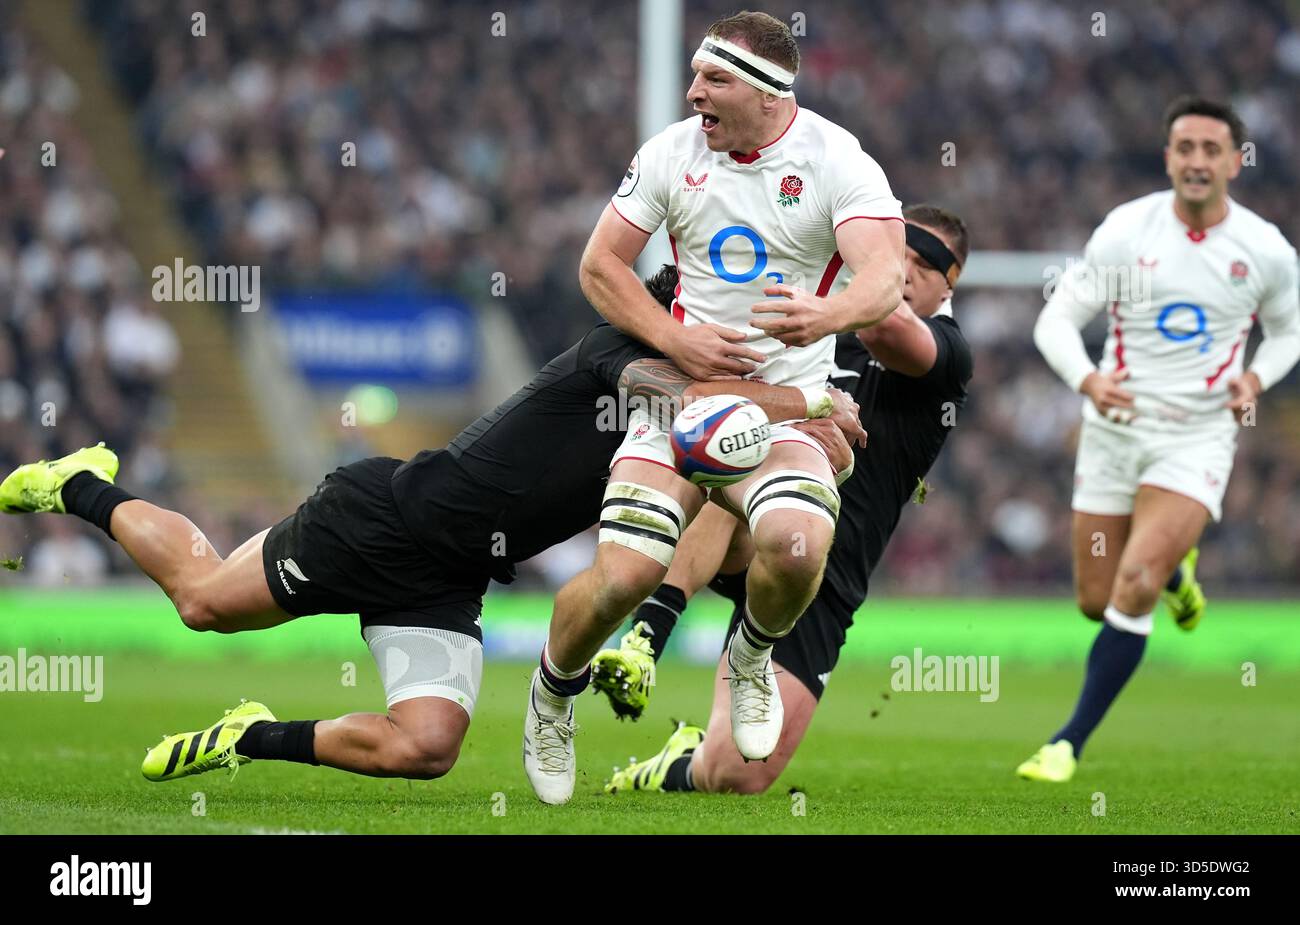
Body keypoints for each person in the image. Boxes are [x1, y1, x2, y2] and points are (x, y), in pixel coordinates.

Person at [0, 271, 860, 786]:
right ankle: (79, 483)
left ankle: (247, 734)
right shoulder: (615, 352)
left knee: (428, 747)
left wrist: (797, 469)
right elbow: (692, 400)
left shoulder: (687, 436)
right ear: (679, 309)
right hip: (383, 520)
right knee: (200, 601)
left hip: (447, 577)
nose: (729, 337)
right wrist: (811, 401)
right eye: (714, 315)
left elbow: (718, 513)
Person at [523, 9, 905, 804]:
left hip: (788, 413)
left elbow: (883, 278)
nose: (693, 92)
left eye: (713, 80)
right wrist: (676, 339)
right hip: (682, 405)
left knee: (797, 547)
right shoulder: (671, 152)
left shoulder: (839, 161)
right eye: (696, 76)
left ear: (769, 94)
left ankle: (752, 654)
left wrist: (823, 317)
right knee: (622, 579)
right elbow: (601, 268)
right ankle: (552, 694)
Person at [592, 205, 974, 794]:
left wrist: (861, 283)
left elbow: (881, 327)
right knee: (726, 444)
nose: (903, 268)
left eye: (923, 264)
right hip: (755, 527)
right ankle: (648, 636)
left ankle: (673, 762)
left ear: (950, 285)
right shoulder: (815, 330)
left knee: (734, 777)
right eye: (898, 251)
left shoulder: (943, 350)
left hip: (828, 571)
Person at [1018, 96, 1300, 783]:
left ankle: (1067, 743)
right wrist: (1088, 381)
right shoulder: (1126, 231)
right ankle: (1179, 570)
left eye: (1211, 149)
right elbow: (1056, 321)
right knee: (1096, 597)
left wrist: (1255, 378)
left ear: (1236, 161)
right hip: (1114, 430)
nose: (1197, 161)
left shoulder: (1263, 249)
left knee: (1132, 584)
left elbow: (1290, 330)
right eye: (1185, 148)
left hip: (1197, 435)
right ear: (1168, 156)